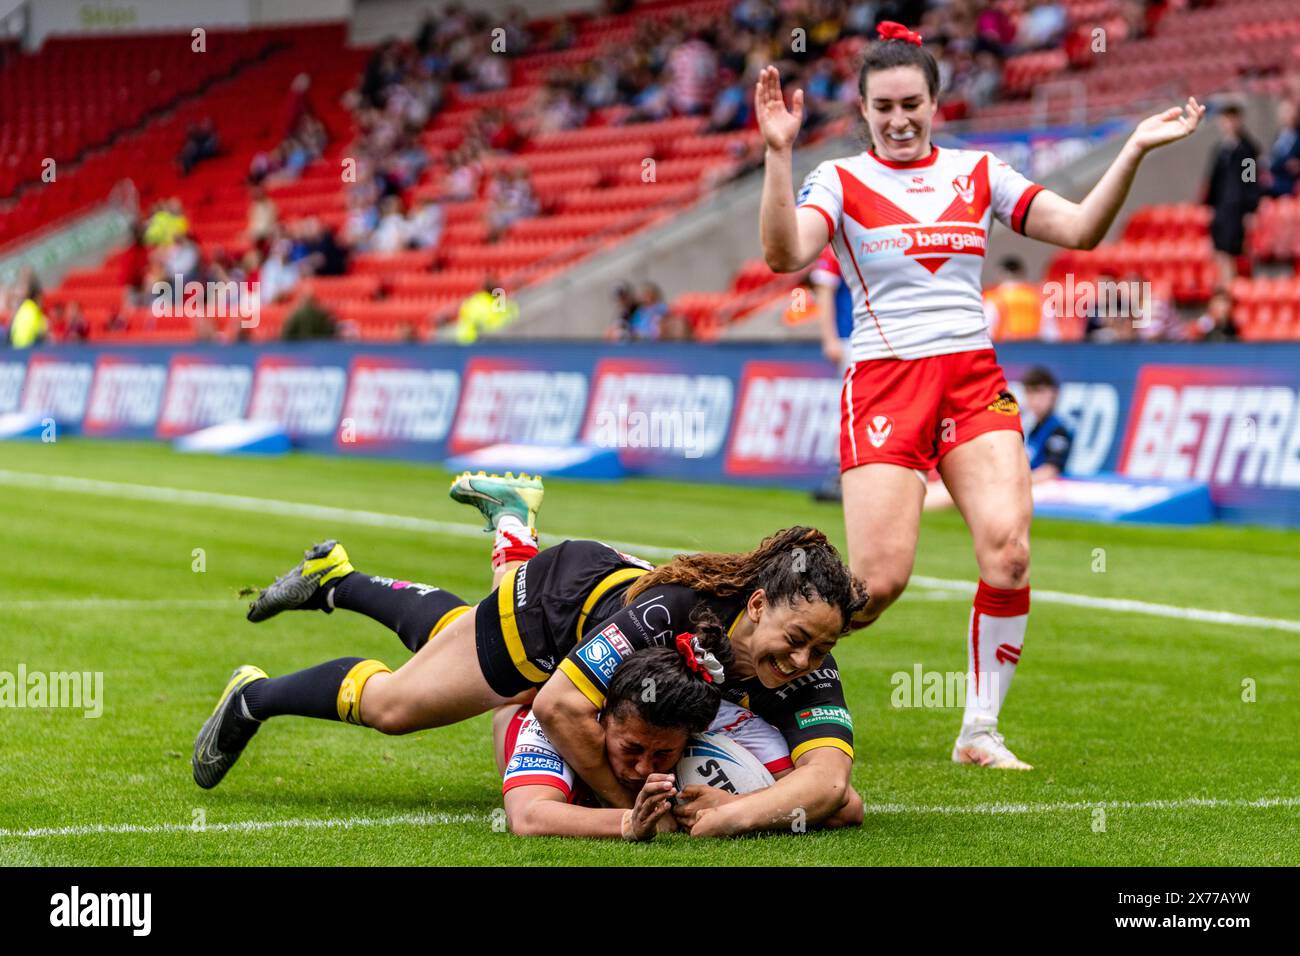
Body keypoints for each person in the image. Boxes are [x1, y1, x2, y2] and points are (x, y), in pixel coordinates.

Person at [756, 20, 1205, 769]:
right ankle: (744, 663)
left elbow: (1082, 230)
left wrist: (1132, 147)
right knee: (873, 585)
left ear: (937, 102)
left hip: (973, 379)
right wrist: (778, 152)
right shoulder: (837, 180)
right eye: (884, 107)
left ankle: (978, 732)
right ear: (862, 110)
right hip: (885, 382)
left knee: (1010, 552)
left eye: (913, 104)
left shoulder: (981, 173)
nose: (900, 120)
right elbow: (782, 254)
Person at [194, 474, 866, 832]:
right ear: (754, 608)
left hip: (600, 616)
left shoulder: (810, 668)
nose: (806, 660)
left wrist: (735, 815)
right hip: (555, 613)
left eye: (822, 647)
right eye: (797, 639)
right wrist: (622, 809)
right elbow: (558, 703)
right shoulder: (675, 614)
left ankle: (340, 578)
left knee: (452, 640)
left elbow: (833, 785)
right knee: (399, 704)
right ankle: (255, 696)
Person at [1204, 101, 1261, 289]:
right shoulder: (1220, 150)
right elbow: (1213, 181)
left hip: (1237, 207)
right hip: (1222, 207)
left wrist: (1250, 208)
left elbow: (1250, 179)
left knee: (1231, 250)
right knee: (1219, 250)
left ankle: (1231, 289)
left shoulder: (1247, 150)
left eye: (1231, 118)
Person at [1266, 97, 1300, 198]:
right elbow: (1273, 161)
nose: (1288, 115)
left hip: (1293, 187)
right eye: (1284, 112)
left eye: (1290, 111)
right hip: (1276, 185)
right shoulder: (1279, 136)